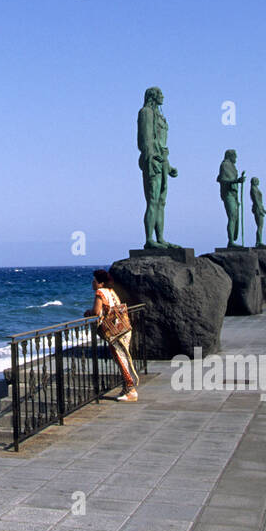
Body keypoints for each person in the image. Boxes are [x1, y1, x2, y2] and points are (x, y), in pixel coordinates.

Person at [137, 87, 178, 248]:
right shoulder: (145, 112)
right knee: (152, 200)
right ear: (153, 96)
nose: (163, 96)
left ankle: (160, 238)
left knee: (161, 201)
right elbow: (145, 138)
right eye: (160, 94)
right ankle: (149, 240)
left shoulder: (159, 116)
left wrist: (168, 165)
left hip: (162, 160)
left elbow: (162, 142)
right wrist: (151, 157)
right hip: (152, 160)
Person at [89, 270, 139, 401]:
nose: (92, 283)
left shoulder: (100, 293)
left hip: (114, 332)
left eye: (94, 280)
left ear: (100, 283)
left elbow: (96, 311)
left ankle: (131, 390)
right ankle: (126, 388)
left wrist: (87, 313)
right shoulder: (111, 291)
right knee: (124, 356)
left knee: (120, 358)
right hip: (124, 329)